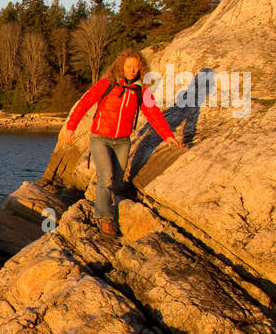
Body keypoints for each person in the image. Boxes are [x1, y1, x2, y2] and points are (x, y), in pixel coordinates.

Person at [57, 49, 185, 237]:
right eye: (128, 66)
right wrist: (71, 126)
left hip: (123, 141)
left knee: (116, 181)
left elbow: (154, 114)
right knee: (106, 175)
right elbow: (86, 102)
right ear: (121, 66)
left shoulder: (141, 90)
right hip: (100, 138)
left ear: (141, 68)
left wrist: (167, 135)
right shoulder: (108, 84)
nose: (132, 70)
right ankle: (104, 218)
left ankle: (103, 201)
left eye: (136, 67)